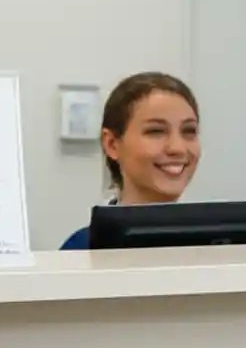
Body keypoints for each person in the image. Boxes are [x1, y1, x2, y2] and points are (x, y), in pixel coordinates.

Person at [60, 72, 200, 250]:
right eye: (156, 131)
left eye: (189, 131)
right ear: (112, 144)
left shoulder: (216, 246)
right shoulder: (83, 249)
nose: (178, 148)